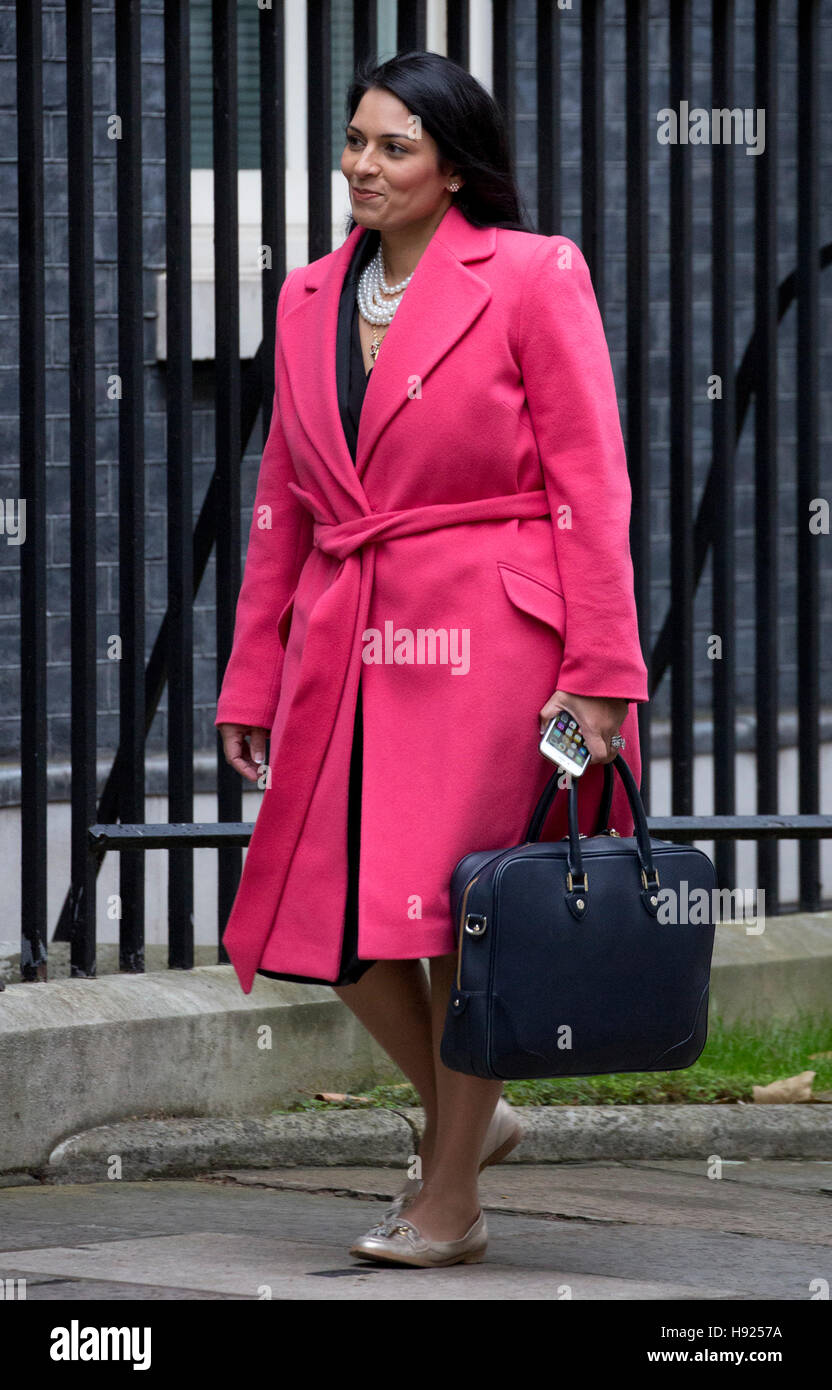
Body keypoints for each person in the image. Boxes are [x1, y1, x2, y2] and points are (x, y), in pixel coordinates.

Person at [217, 51, 649, 1269]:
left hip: (499, 648)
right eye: (354, 141)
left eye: (393, 145)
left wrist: (602, 674)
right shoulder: (308, 297)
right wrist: (252, 674)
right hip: (347, 639)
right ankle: (476, 1113)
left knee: (470, 923)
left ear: (453, 166)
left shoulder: (528, 273)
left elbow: (591, 480)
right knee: (335, 923)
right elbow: (283, 502)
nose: (362, 164)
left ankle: (447, 1195)